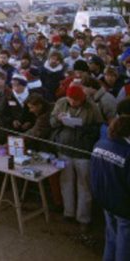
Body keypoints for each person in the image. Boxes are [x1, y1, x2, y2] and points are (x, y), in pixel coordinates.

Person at [50, 84, 104, 231]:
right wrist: (59, 120)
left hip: (83, 151)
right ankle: (68, 212)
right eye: (71, 100)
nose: (73, 103)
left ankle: (84, 218)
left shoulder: (92, 107)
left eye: (77, 100)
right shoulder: (61, 103)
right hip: (64, 148)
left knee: (84, 185)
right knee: (66, 181)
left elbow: (98, 129)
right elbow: (52, 122)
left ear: (83, 99)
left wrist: (82, 127)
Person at [90, 98, 130, 261]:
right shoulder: (127, 153)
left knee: (111, 237)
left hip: (105, 199)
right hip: (123, 205)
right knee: (125, 242)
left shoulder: (100, 144)